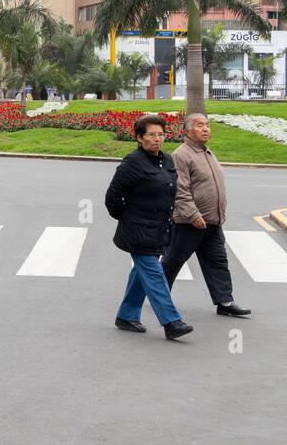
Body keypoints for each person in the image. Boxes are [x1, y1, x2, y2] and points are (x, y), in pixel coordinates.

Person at [106, 114, 192, 340]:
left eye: (161, 134)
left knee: (141, 273)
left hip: (160, 229)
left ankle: (126, 315)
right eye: (151, 135)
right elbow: (113, 197)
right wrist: (127, 219)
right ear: (139, 137)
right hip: (138, 231)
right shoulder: (132, 162)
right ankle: (172, 322)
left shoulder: (167, 161)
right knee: (154, 274)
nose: (157, 139)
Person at [162, 113, 251, 318]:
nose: (205, 129)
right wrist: (193, 215)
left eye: (207, 125)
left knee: (218, 262)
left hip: (212, 221)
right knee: (172, 262)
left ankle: (224, 301)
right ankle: (158, 295)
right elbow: (180, 190)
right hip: (188, 223)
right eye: (200, 125)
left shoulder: (207, 153)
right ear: (187, 131)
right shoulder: (181, 155)